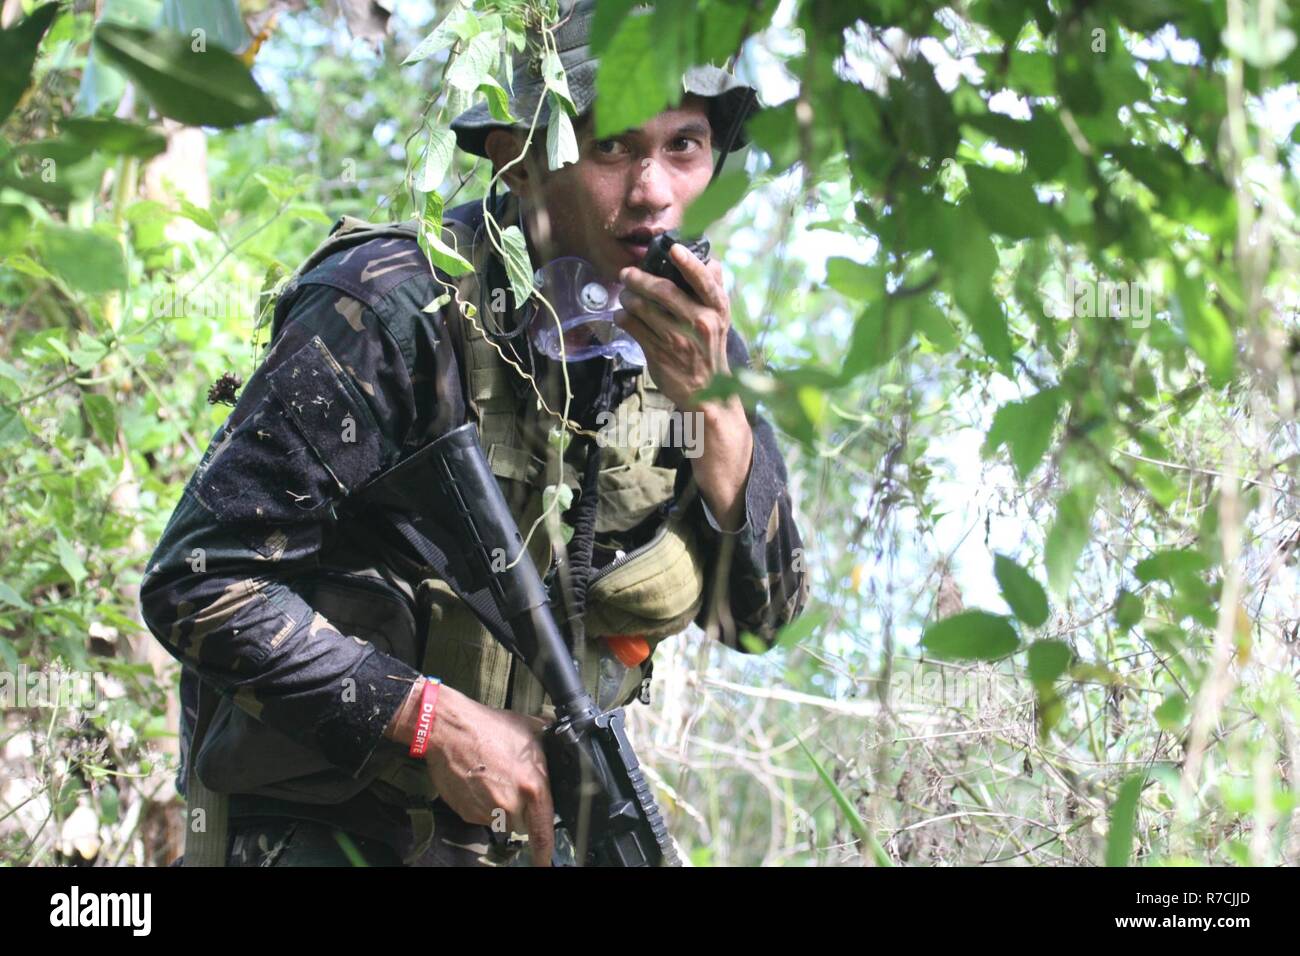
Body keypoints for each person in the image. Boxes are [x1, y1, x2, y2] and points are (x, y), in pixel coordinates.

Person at [140, 0, 808, 867]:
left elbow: (763, 619)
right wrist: (428, 720)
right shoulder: (389, 303)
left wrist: (718, 410)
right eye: (613, 147)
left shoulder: (693, 340)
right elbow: (197, 584)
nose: (654, 191)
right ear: (520, 159)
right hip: (329, 832)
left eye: (683, 146)